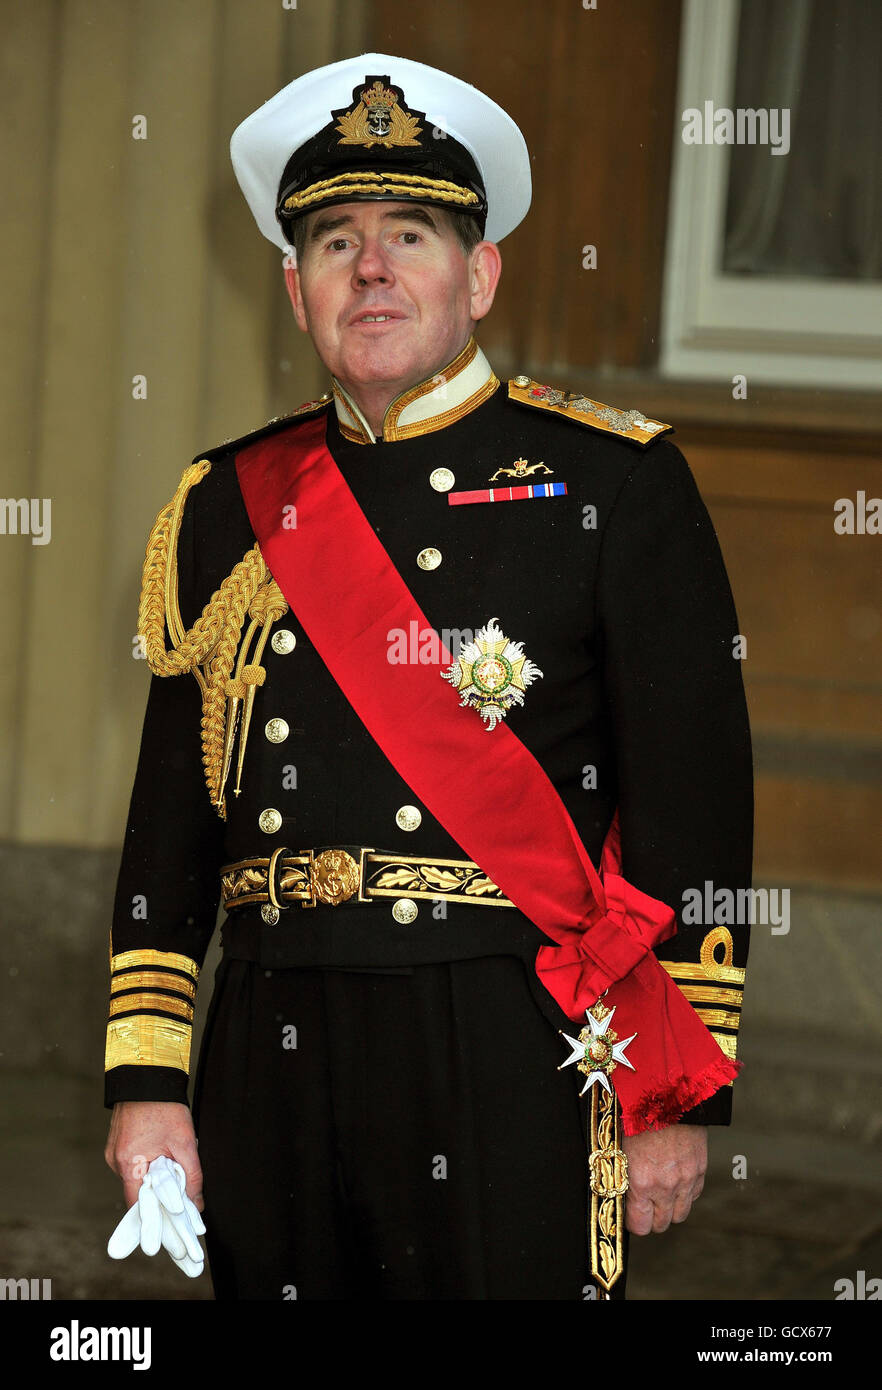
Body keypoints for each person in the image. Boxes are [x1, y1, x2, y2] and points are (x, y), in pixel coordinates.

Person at [104, 52, 753, 1301]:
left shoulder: (611, 483)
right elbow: (168, 833)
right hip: (272, 1035)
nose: (373, 267)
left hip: (509, 1036)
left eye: (411, 233)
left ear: (482, 273)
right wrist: (147, 1084)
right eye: (336, 241)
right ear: (295, 290)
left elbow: (694, 807)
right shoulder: (225, 505)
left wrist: (676, 1088)